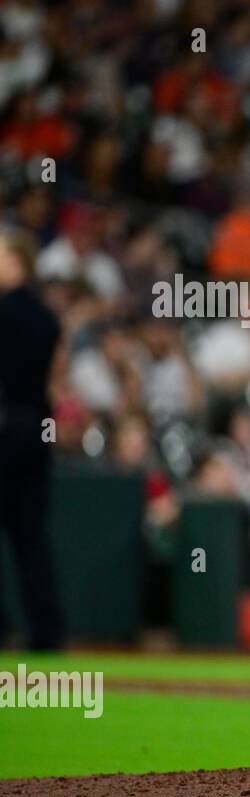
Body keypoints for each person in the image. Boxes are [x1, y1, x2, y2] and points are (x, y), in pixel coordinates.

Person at [0, 226, 65, 650]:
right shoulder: (47, 317)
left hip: (7, 428)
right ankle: (47, 632)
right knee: (30, 538)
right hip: (37, 431)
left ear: (17, 262)